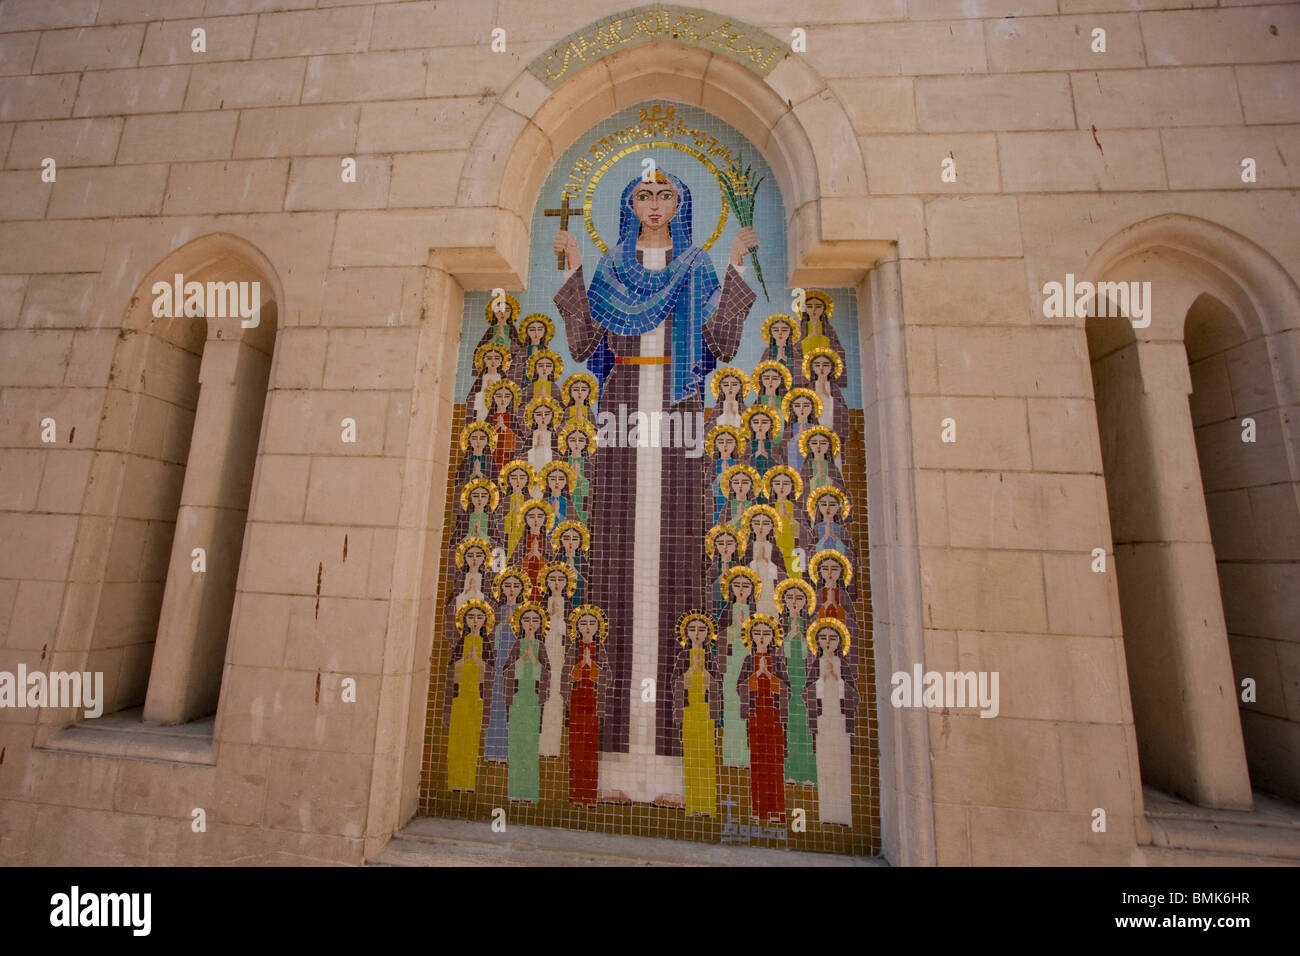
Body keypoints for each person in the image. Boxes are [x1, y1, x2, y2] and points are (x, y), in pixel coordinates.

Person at [552, 168, 757, 798]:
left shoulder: (695, 267)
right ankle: (611, 763)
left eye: (667, 195)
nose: (655, 204)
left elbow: (721, 342)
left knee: (675, 566)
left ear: (682, 204)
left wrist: (735, 262)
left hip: (676, 415)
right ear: (628, 204)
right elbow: (587, 341)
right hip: (618, 412)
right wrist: (572, 268)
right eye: (644, 195)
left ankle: (671, 767)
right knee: (614, 564)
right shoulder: (611, 270)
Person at [736, 613, 789, 823]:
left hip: (774, 716)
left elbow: (787, 690)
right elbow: (740, 688)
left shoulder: (777, 660)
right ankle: (759, 811)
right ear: (750, 636)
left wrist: (771, 677)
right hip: (756, 715)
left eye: (766, 633)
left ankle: (777, 810)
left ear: (772, 637)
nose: (761, 637)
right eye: (757, 633)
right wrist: (755, 677)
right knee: (757, 761)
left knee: (775, 763)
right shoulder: (749, 660)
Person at [805, 617, 856, 825]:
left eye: (832, 638)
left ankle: (843, 814)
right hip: (823, 720)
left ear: (839, 642)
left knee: (840, 764)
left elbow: (854, 695)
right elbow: (806, 693)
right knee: (824, 763)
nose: (828, 642)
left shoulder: (843, 665)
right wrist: (821, 681)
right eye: (824, 638)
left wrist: (838, 680)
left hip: (840, 720)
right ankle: (826, 813)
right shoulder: (815, 664)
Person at [670, 611, 720, 817]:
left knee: (706, 758)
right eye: (693, 629)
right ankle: (693, 806)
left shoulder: (709, 657)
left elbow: (718, 686)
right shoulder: (683, 657)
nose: (697, 633)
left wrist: (706, 675)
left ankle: (707, 806)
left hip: (706, 713)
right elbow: (675, 684)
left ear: (708, 633)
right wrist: (689, 675)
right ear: (686, 633)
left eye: (701, 629)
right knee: (691, 758)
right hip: (690, 712)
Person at [445, 599, 494, 792]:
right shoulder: (461, 643)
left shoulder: (486, 645)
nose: (475, 621)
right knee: (457, 739)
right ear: (464, 620)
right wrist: (464, 661)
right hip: (460, 699)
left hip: (476, 698)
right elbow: (451, 672)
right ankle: (455, 781)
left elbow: (491, 673)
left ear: (485, 621)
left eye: (479, 617)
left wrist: (479, 663)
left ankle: (469, 782)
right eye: (471, 617)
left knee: (472, 741)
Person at [562, 605, 609, 804]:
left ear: (598, 627)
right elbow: (565, 676)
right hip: (577, 700)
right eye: (583, 623)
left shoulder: (601, 650)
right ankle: (575, 794)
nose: (588, 626)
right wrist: (580, 668)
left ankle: (589, 795)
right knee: (576, 749)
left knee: (591, 748)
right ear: (577, 627)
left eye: (592, 623)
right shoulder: (574, 649)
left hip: (593, 702)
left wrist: (594, 668)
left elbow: (607, 677)